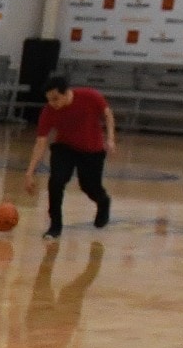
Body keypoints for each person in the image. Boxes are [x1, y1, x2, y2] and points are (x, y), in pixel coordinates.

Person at [21, 73, 115, 240]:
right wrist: (30, 172)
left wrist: (110, 139)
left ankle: (103, 201)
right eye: (49, 99)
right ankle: (55, 225)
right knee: (56, 181)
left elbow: (107, 114)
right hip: (65, 148)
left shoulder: (90, 96)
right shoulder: (48, 111)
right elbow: (41, 142)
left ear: (66, 93)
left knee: (89, 187)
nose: (52, 103)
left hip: (92, 150)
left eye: (55, 99)